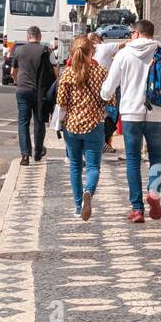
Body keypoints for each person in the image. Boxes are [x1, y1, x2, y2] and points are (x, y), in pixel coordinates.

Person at [101, 19, 161, 223]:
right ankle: (154, 192)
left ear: (137, 34)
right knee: (156, 156)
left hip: (131, 113)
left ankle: (137, 209)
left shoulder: (124, 54)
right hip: (157, 113)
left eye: (131, 32)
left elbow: (109, 87)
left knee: (133, 159)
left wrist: (104, 96)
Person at [56, 35, 109, 220]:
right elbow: (109, 99)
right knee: (93, 166)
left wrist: (59, 123)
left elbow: (61, 102)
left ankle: (78, 206)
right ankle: (89, 192)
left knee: (75, 167)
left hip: (71, 126)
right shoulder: (101, 72)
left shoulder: (67, 74)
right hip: (94, 125)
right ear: (91, 52)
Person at [9, 25, 54, 166]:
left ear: (28, 37)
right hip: (40, 91)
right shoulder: (46, 50)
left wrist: (17, 82)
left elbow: (12, 71)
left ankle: (25, 156)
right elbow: (55, 70)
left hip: (22, 91)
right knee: (39, 121)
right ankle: (38, 152)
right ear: (40, 37)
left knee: (23, 122)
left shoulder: (18, 50)